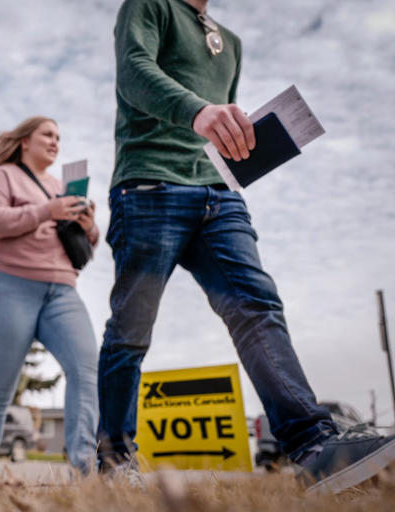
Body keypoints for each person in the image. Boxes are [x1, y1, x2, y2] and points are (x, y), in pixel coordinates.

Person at [99, 0, 395, 492]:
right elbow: (134, 71)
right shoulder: (149, 7)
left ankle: (316, 449)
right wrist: (198, 111)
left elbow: (225, 117)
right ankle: (113, 462)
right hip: (149, 188)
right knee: (131, 328)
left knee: (258, 306)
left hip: (218, 193)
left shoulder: (231, 42)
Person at [0, 117, 99, 480]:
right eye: (47, 134)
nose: (55, 141)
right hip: (8, 286)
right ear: (24, 142)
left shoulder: (62, 186)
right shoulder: (4, 177)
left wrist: (88, 226)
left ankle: (85, 470)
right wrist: (46, 211)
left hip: (62, 291)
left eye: (59, 137)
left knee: (86, 371)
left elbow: (87, 245)